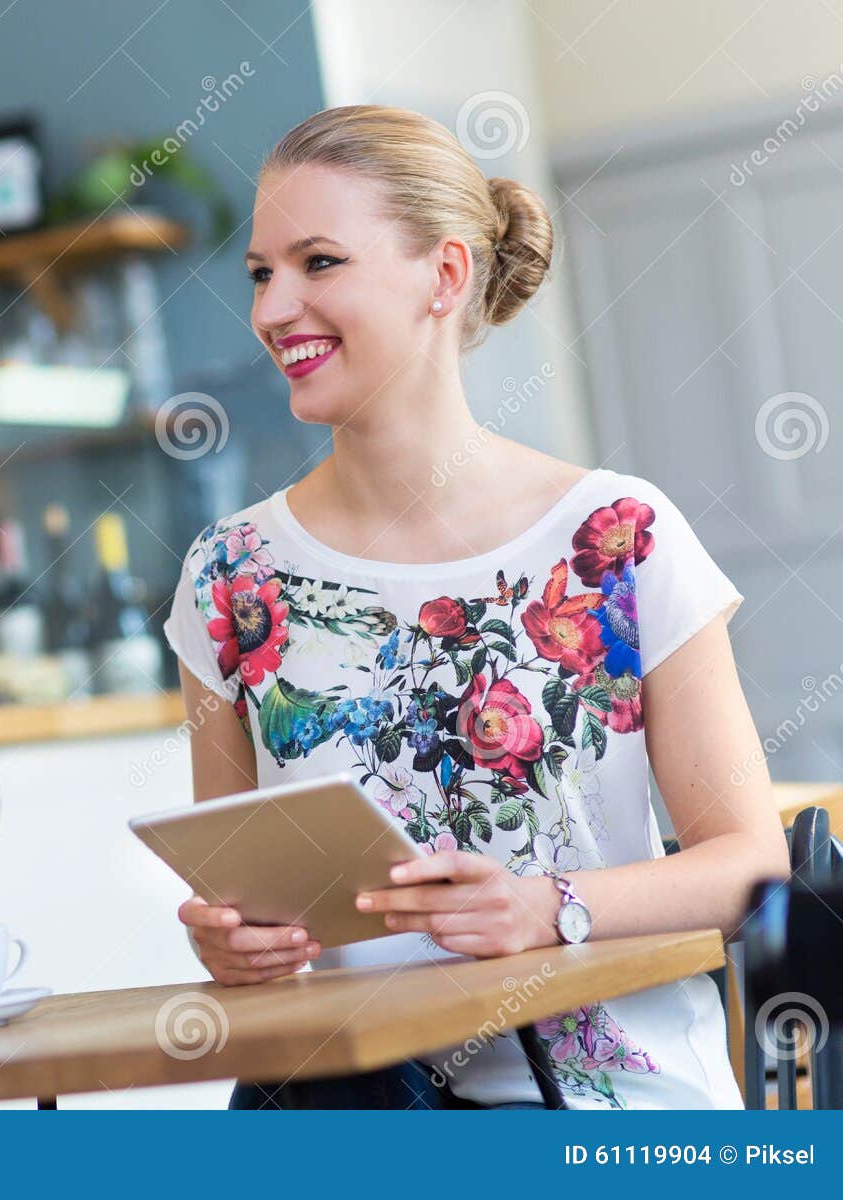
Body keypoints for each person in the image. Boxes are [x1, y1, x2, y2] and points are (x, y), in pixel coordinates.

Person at [162, 105, 790, 1110]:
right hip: (358, 1109)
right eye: (259, 272)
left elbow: (750, 868)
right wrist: (231, 937)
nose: (273, 308)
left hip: (609, 1112)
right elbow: (237, 887)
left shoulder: (619, 535)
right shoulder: (228, 576)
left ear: (444, 278)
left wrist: (549, 908)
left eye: (317, 263)